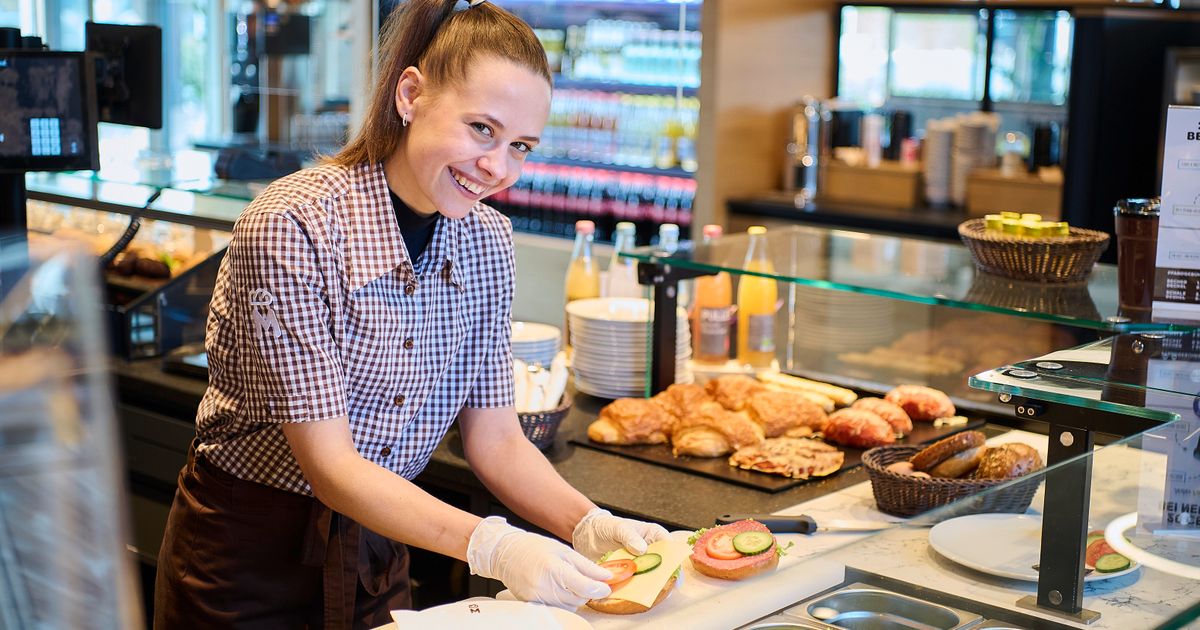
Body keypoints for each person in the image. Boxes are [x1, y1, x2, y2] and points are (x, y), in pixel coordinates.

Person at [153, 0, 669, 627]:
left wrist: (587, 523)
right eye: (482, 129)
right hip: (244, 559)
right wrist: (497, 546)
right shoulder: (294, 226)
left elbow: (497, 439)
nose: (497, 168)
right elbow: (332, 467)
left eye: (521, 146)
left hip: (383, 544)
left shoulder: (487, 242)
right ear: (410, 93)